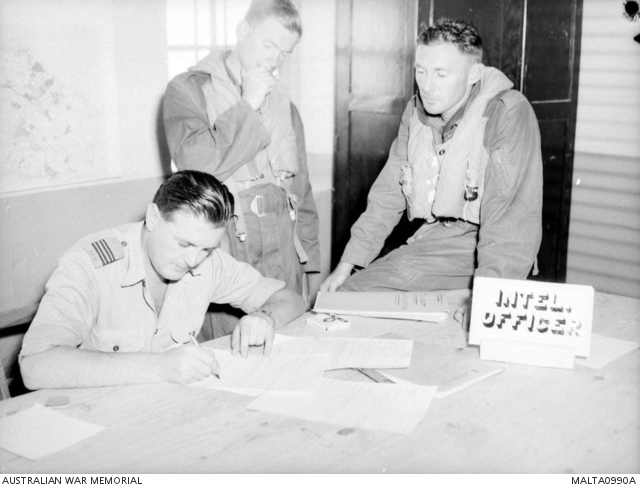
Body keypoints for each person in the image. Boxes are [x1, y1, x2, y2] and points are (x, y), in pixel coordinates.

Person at [321, 19, 543, 325]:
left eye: (441, 73)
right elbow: (387, 195)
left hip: (492, 249)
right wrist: (347, 264)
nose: (426, 86)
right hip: (438, 242)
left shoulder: (507, 112)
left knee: (357, 303)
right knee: (344, 300)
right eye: (420, 71)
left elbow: (512, 223)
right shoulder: (416, 113)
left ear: (474, 74)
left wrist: (487, 301)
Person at [19, 170, 305, 390]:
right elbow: (34, 365)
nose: (193, 261)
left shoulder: (208, 262)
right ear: (154, 218)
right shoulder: (90, 265)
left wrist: (265, 318)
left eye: (206, 249)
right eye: (183, 244)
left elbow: (290, 299)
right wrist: (159, 367)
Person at [163, 0, 320, 338]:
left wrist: (312, 270)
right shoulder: (187, 90)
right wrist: (248, 104)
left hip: (283, 243)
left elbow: (300, 189)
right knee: (227, 350)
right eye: (269, 44)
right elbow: (198, 164)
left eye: (284, 53)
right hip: (225, 242)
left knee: (285, 342)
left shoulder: (284, 103)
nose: (274, 60)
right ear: (243, 31)